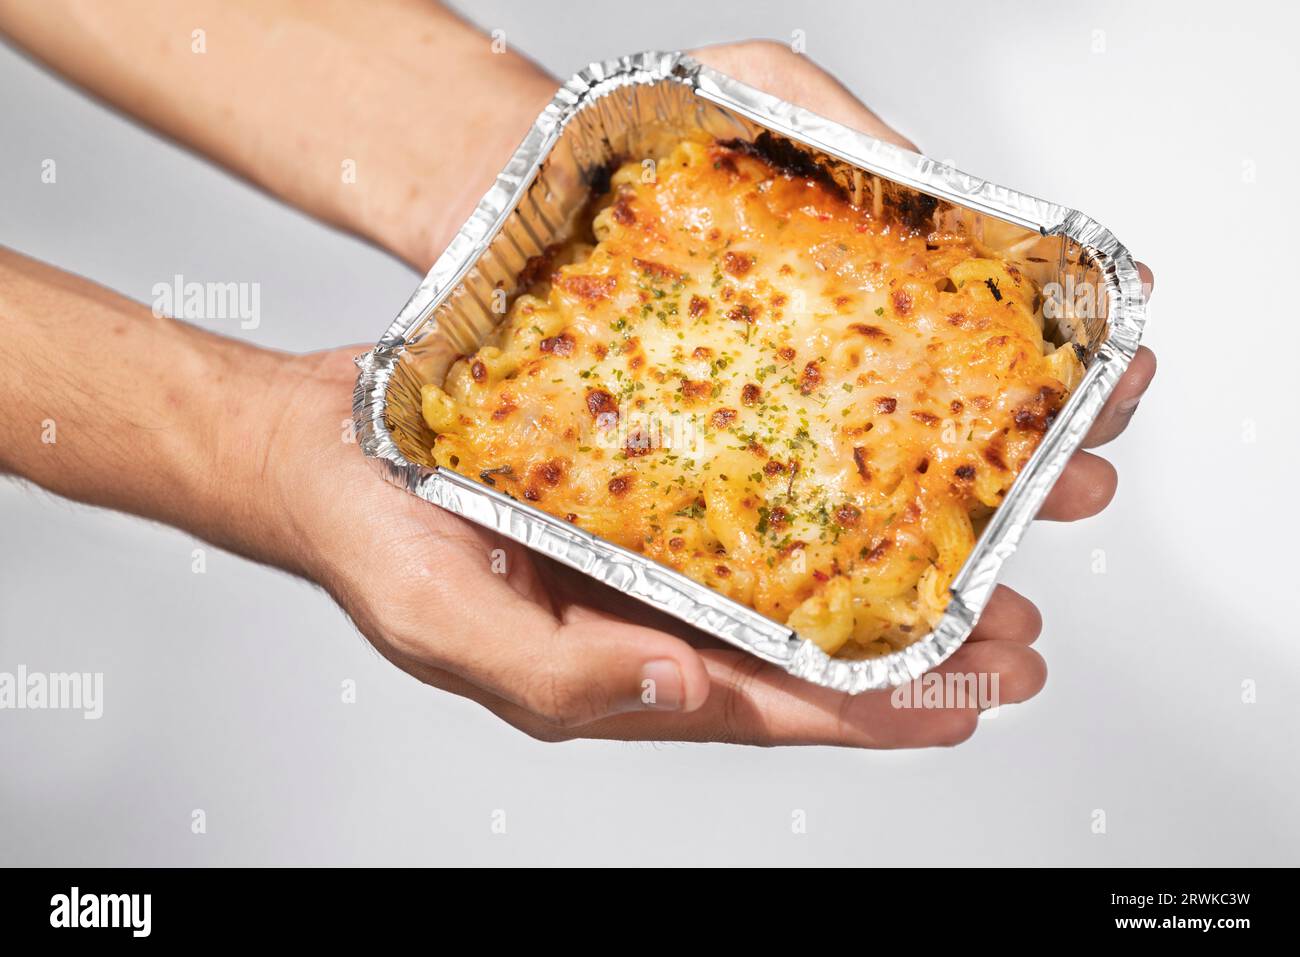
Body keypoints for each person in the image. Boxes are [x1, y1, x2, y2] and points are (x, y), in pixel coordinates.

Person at [0, 0, 1156, 748]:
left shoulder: (697, 206)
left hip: (836, 323)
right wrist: (244, 450)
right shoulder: (477, 417)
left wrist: (496, 149)